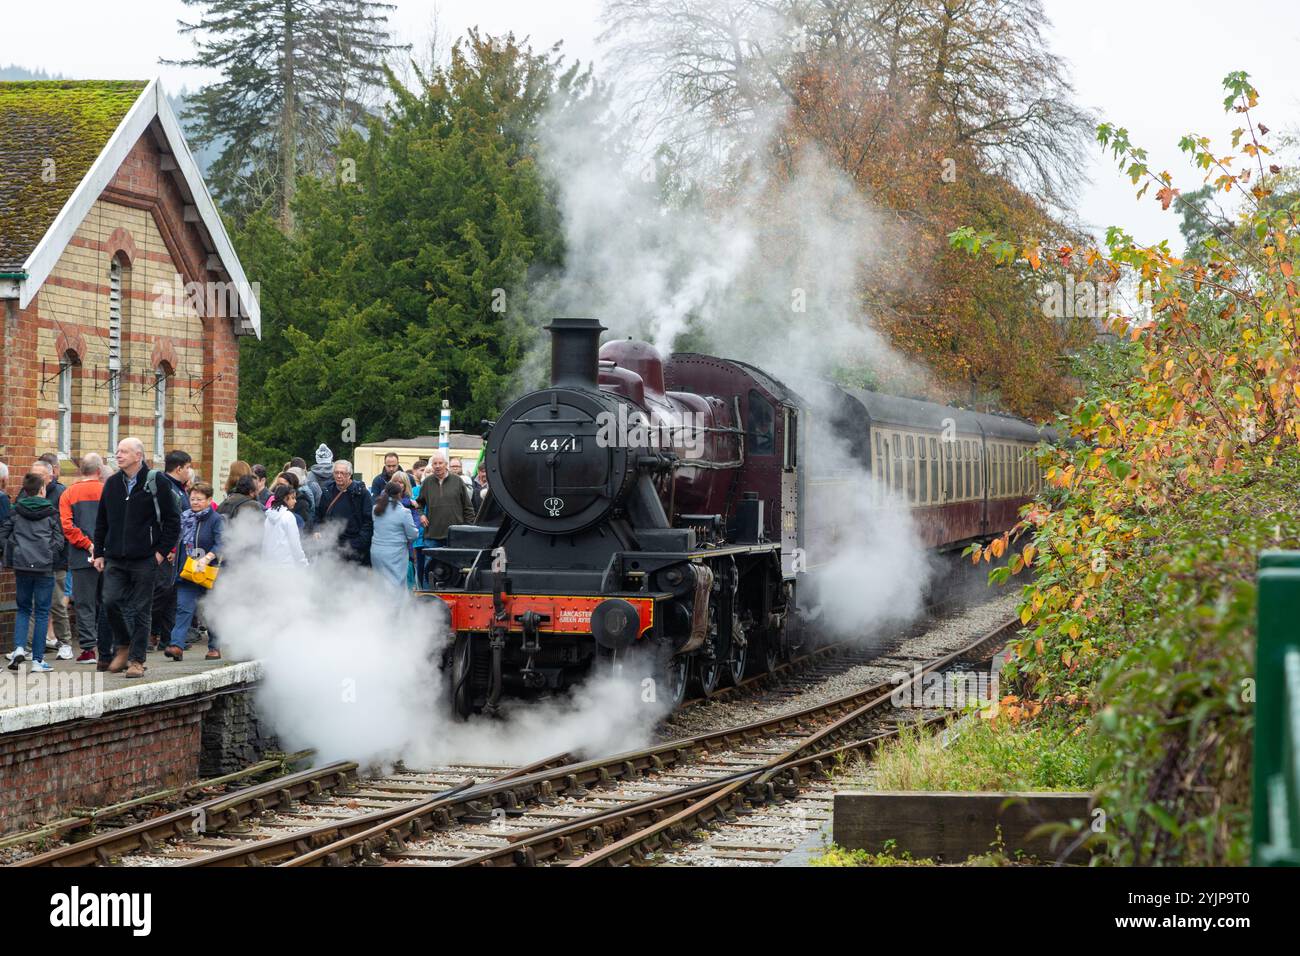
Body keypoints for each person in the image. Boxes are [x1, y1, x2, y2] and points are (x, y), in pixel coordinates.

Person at [93, 437, 182, 679]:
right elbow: (102, 521)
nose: (118, 455)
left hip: (145, 558)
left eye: (124, 452)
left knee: (142, 609)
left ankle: (136, 660)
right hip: (115, 557)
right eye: (118, 451)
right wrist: (99, 552)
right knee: (109, 601)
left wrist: (160, 553)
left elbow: (174, 520)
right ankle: (123, 644)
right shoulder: (112, 484)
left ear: (138, 456)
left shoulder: (156, 482)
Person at [1, 472, 66, 672]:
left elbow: (3, 535)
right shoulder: (52, 512)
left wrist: (15, 550)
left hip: (21, 566)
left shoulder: (16, 511)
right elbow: (60, 540)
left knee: (23, 609)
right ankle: (38, 660)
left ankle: (20, 648)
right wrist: (49, 552)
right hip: (44, 567)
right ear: (41, 490)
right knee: (42, 612)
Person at [60, 453, 111, 664]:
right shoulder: (109, 491)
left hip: (81, 557)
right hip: (109, 556)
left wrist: (87, 544)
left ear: (81, 470)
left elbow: (67, 527)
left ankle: (89, 649)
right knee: (109, 600)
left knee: (84, 603)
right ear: (99, 471)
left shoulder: (68, 494)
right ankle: (110, 645)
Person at [166, 481, 225, 661]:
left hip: (208, 573)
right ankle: (176, 645)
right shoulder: (184, 517)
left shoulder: (216, 520)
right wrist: (172, 552)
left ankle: (214, 647)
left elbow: (222, 542)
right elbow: (179, 540)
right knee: (184, 609)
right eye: (192, 499)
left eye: (199, 499)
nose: (195, 502)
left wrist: (208, 557)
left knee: (211, 611)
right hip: (188, 573)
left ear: (209, 500)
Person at [150, 450, 192, 653]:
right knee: (162, 591)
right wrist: (170, 547)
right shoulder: (167, 488)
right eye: (188, 467)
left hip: (177, 550)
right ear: (179, 468)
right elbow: (169, 520)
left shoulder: (180, 488)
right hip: (167, 550)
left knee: (171, 594)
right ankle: (148, 633)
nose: (189, 472)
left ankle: (169, 638)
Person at [31, 458, 73, 658]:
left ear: (50, 475)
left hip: (56, 558)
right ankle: (30, 646)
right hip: (32, 559)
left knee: (57, 603)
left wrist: (54, 550)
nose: (35, 478)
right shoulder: (27, 491)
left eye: (39, 475)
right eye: (33, 474)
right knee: (33, 605)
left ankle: (64, 642)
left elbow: (65, 526)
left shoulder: (62, 492)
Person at [315, 461, 373, 564]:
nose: (339, 476)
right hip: (331, 546)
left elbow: (368, 521)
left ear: (350, 475)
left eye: (342, 473)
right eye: (336, 473)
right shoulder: (327, 491)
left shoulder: (361, 493)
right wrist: (317, 530)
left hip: (354, 548)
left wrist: (358, 543)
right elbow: (319, 515)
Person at [369, 480, 418, 589]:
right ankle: (395, 606)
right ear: (399, 494)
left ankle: (377, 605)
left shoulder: (375, 510)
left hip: (376, 551)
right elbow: (413, 535)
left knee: (379, 582)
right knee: (395, 583)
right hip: (396, 553)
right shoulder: (404, 512)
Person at [262, 483, 308, 566]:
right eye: (293, 498)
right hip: (286, 565)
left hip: (270, 565)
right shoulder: (288, 516)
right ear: (285, 499)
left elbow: (265, 543)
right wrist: (303, 562)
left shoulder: (268, 516)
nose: (295, 501)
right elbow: (295, 543)